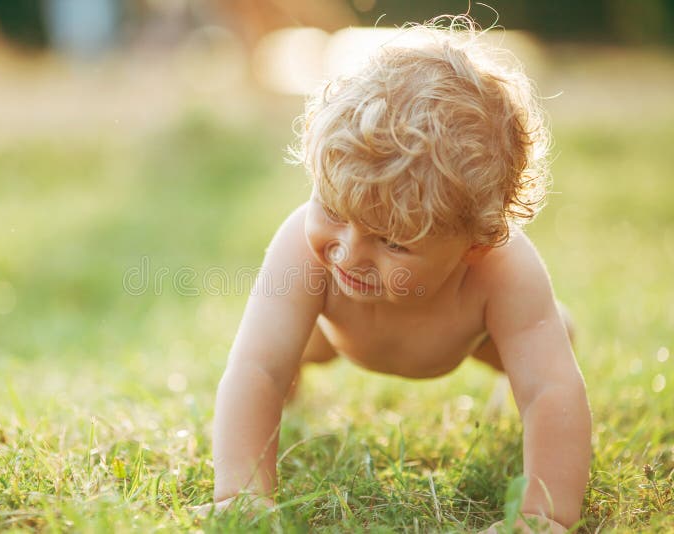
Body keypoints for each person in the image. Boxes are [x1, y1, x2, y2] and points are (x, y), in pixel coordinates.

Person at [206, 17, 591, 533]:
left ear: (475, 244)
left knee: (539, 347)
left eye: (393, 240)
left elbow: (550, 392)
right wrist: (240, 496)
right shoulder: (305, 247)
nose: (347, 253)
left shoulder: (503, 270)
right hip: (333, 332)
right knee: (289, 355)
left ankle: (553, 329)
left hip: (465, 337)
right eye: (333, 210)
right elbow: (257, 368)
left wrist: (544, 516)